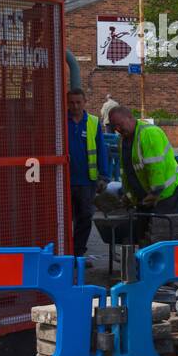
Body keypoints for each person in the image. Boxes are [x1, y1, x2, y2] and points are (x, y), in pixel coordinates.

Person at [107, 106, 178, 226]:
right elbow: (127, 169)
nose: (118, 129)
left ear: (130, 117)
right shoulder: (123, 139)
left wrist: (155, 193)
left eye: (120, 124)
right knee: (146, 232)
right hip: (148, 194)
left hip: (166, 193)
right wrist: (129, 196)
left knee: (162, 231)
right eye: (114, 127)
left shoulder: (148, 134)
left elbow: (156, 167)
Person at [66, 88, 108, 259]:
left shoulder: (93, 122)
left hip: (86, 181)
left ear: (85, 102)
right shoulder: (61, 121)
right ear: (67, 103)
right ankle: (65, 253)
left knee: (84, 219)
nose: (75, 106)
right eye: (71, 102)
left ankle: (78, 254)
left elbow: (101, 150)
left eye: (78, 102)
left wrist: (104, 175)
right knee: (63, 219)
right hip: (65, 180)